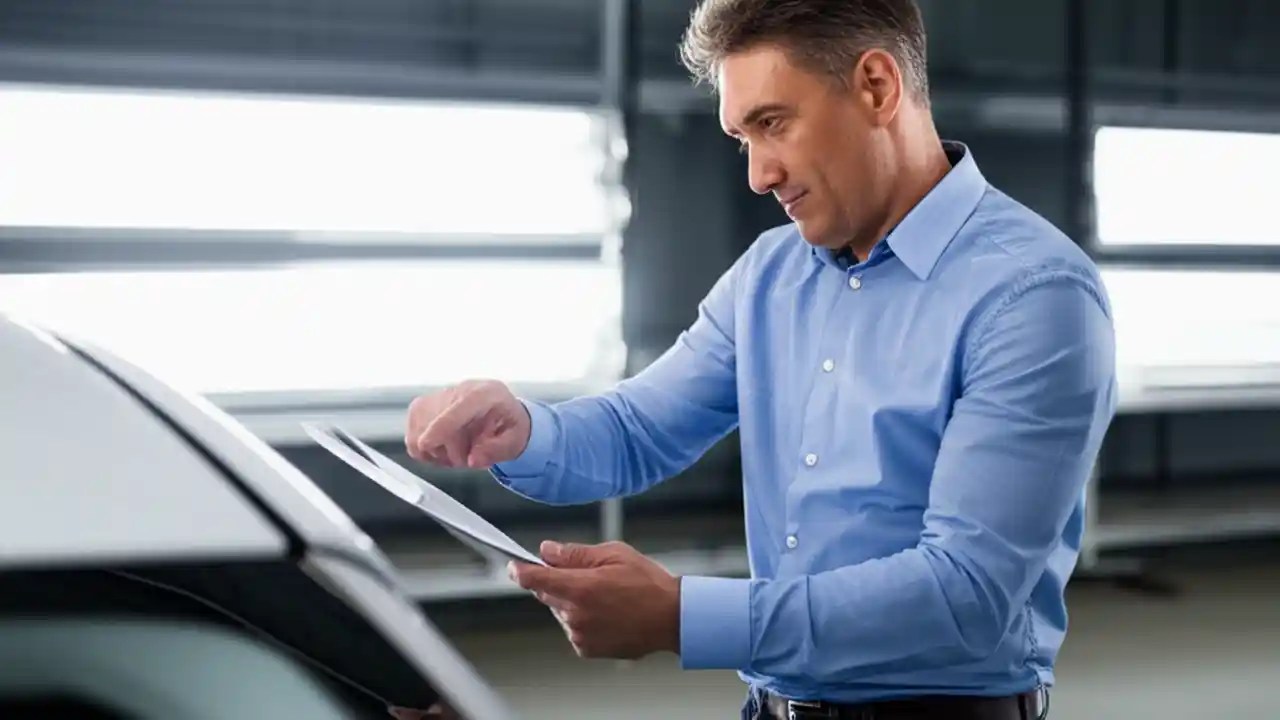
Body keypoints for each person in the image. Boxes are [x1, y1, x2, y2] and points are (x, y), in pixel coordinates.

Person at [404, 1, 1117, 717]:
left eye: (773, 124)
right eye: (741, 137)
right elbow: (637, 430)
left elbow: (964, 594)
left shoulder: (1032, 295)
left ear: (876, 87)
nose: (757, 174)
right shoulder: (772, 274)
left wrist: (680, 616)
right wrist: (519, 429)